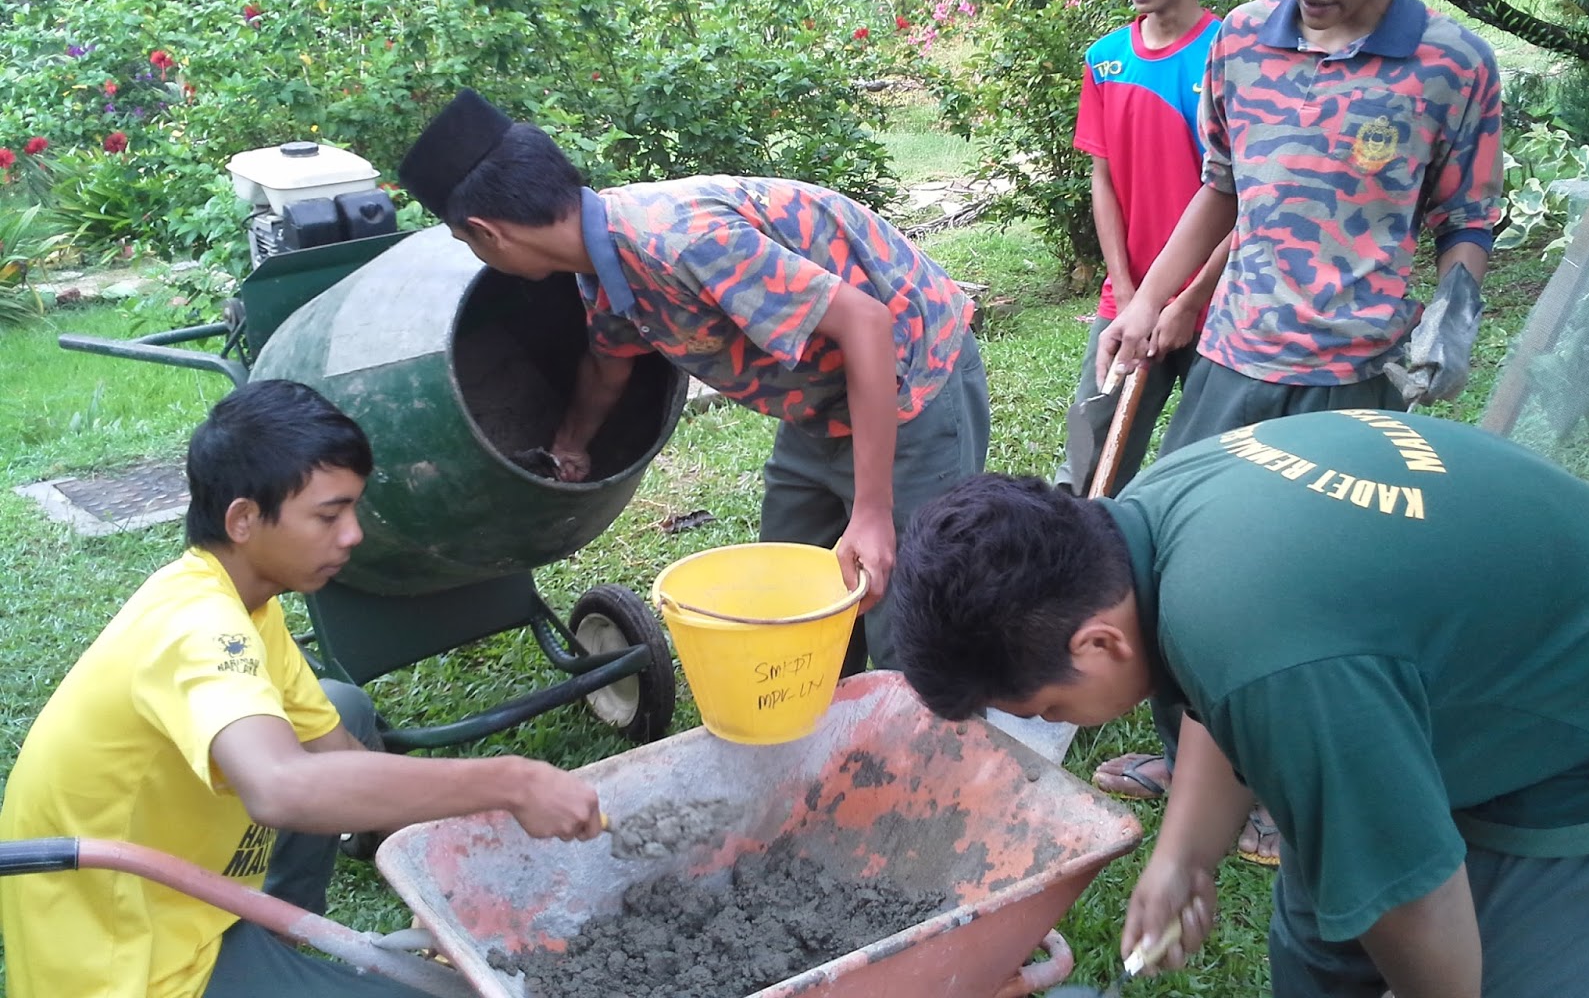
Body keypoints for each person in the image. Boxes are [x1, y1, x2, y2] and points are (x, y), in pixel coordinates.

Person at [1088, 0, 1504, 862]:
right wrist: (1149, 303)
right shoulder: (1241, 41)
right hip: (1235, 355)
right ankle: (1187, 757)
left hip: (1354, 373)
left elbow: (1468, 217)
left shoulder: (1452, 64)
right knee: (1178, 562)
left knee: (1323, 591)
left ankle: (1285, 785)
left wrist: (1455, 307)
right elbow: (1220, 188)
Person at [889, 410, 1589, 998]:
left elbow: (1412, 894)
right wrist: (1184, 857)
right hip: (1414, 664)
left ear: (1099, 644)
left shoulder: (1280, 662)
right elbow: (1221, 684)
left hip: (1566, 736)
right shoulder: (1143, 530)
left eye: (1048, 709)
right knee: (1322, 930)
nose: (1053, 723)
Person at [0, 380, 603, 998]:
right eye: (328, 515)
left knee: (343, 708)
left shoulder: (248, 607)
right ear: (243, 519)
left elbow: (336, 754)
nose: (352, 535)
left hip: (192, 897)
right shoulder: (197, 627)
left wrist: (449, 872)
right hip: (129, 962)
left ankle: (279, 933)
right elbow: (280, 787)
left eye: (353, 510)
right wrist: (511, 782)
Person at [398, 90, 989, 672]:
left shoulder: (682, 243)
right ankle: (829, 712)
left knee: (909, 609)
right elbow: (608, 363)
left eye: (466, 242)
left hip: (909, 378)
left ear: (488, 232)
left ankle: (929, 713)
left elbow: (867, 323)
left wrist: (872, 510)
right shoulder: (600, 260)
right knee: (791, 594)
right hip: (819, 400)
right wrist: (570, 445)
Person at [1053, 0, 1224, 499]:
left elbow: (1243, 197)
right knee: (1087, 466)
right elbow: (1103, 180)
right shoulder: (1105, 60)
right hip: (1124, 302)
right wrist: (1128, 296)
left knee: (1211, 472)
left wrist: (1188, 301)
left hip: (1217, 305)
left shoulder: (1229, 57)